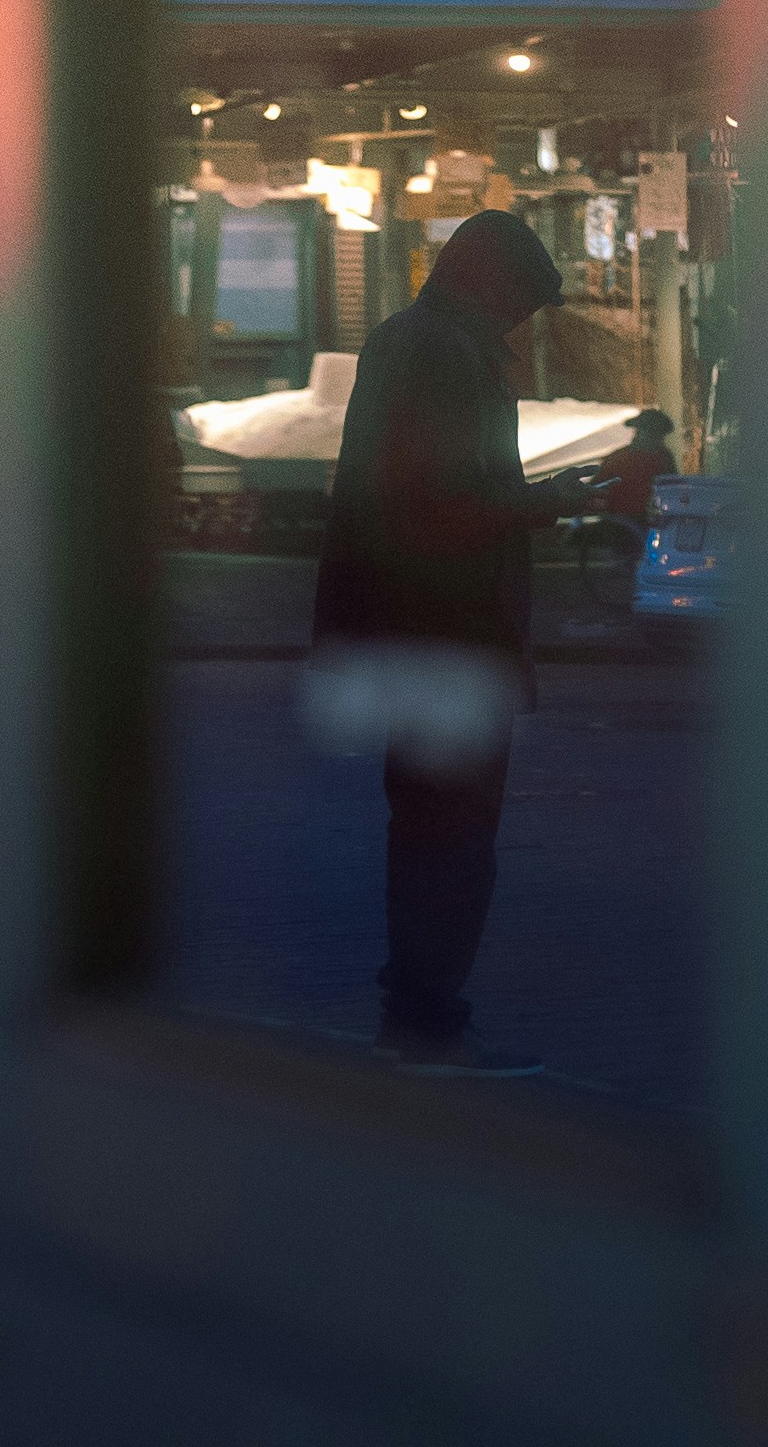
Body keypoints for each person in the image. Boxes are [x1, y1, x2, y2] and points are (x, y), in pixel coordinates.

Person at [307, 207, 567, 1077]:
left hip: (413, 627)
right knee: (450, 839)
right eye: (517, 310)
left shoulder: (413, 343)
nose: (520, 333)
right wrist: (562, 503)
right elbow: (441, 504)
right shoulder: (445, 354)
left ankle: (417, 1015)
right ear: (489, 285)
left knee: (429, 833)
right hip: (443, 632)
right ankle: (425, 1024)